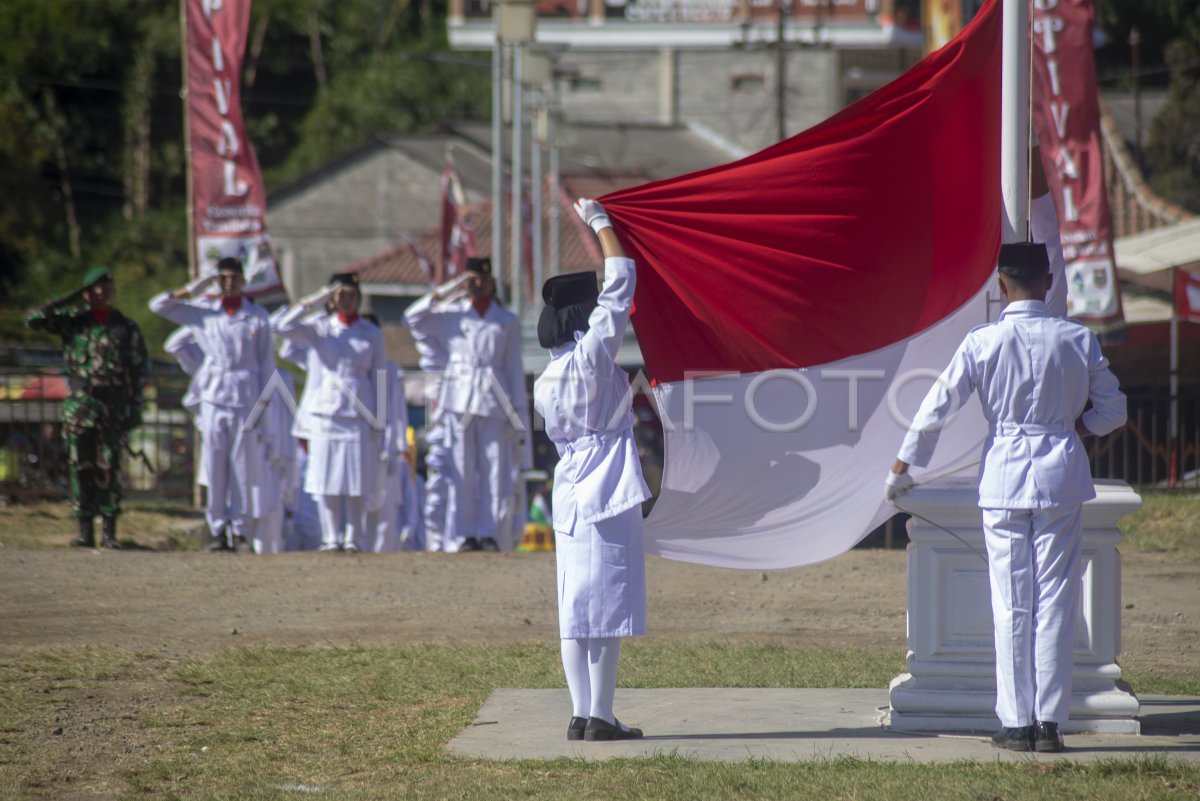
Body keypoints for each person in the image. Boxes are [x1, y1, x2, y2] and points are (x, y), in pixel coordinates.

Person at [886, 242, 1127, 753]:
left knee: (1011, 601)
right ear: (1048, 282)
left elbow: (938, 404)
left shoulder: (983, 341)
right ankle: (1048, 722)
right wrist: (1075, 425)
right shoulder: (1077, 339)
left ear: (1000, 285)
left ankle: (1016, 722)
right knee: (1055, 601)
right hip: (1060, 471)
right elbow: (1114, 411)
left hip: (1003, 477)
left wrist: (904, 463)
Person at [533, 198, 651, 742]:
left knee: (573, 603)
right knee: (604, 602)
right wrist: (601, 222)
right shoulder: (590, 359)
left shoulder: (545, 378)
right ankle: (601, 715)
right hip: (606, 484)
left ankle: (582, 712)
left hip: (570, 490)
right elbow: (622, 280)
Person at [404, 259, 530, 552]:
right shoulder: (452, 314)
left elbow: (513, 368)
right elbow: (413, 318)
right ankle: (463, 535)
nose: (478, 285)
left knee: (494, 470)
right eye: (472, 280)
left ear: (492, 282)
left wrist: (519, 416)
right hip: (458, 400)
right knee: (461, 469)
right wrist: (448, 290)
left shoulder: (506, 319)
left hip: (495, 400)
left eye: (483, 279)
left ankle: (489, 533)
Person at [150, 257, 275, 551]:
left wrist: (263, 408)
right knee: (215, 464)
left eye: (233, 277)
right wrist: (196, 286)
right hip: (214, 397)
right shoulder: (203, 312)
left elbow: (266, 365)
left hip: (245, 397)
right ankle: (217, 528)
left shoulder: (256, 316)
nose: (228, 283)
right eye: (222, 278)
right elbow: (158, 305)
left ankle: (241, 530)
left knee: (242, 466)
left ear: (243, 280)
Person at [27, 266, 148, 548]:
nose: (103, 293)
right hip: (80, 404)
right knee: (80, 466)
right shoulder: (75, 322)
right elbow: (34, 320)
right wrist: (68, 298)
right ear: (87, 293)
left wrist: (135, 406)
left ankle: (109, 531)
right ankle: (84, 530)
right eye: (96, 289)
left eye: (107, 287)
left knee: (109, 466)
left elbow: (140, 369)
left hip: (113, 405)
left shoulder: (125, 328)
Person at [276, 272, 386, 553]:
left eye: (352, 295)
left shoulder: (370, 333)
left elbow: (380, 376)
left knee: (356, 479)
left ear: (359, 298)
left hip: (358, 414)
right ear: (332, 299)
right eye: (341, 295)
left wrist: (379, 417)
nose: (347, 300)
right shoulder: (319, 328)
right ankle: (330, 537)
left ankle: (352, 538)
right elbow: (282, 325)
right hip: (325, 413)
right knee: (327, 478)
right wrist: (317, 299)